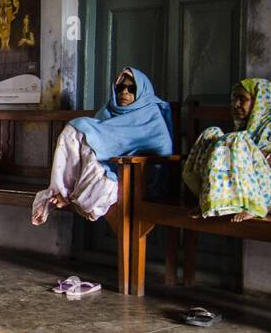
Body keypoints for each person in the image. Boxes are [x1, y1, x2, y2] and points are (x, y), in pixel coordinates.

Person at [31, 67, 172, 226]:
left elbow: (163, 151)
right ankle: (60, 193)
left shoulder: (151, 115)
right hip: (105, 169)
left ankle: (73, 199)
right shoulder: (108, 112)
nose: (124, 92)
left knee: (100, 180)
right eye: (120, 88)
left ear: (142, 92)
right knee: (76, 131)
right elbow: (94, 146)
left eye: (131, 88)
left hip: (134, 178)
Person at [182, 78, 271, 222]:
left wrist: (255, 152)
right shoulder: (246, 128)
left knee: (235, 140)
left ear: (260, 102)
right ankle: (212, 202)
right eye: (235, 99)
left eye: (242, 99)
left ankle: (255, 207)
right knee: (212, 133)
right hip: (245, 189)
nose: (236, 104)